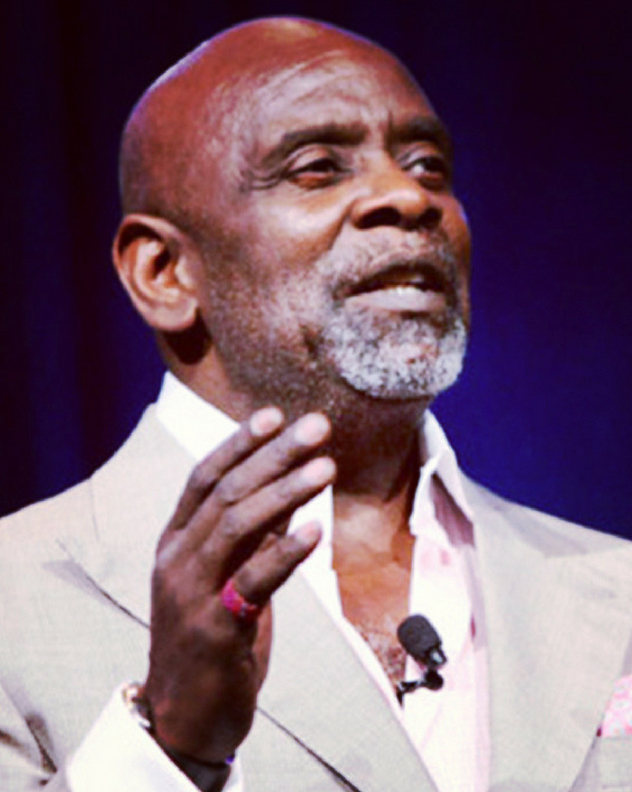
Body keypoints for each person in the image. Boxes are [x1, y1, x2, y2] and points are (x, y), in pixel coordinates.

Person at [0, 16, 630, 792]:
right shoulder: (16, 598)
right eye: (317, 168)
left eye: (428, 165)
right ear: (164, 272)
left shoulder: (615, 589)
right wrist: (169, 748)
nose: (408, 196)